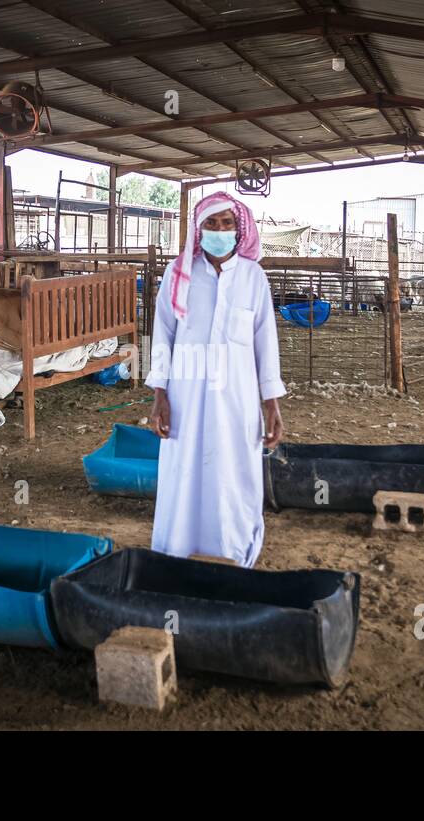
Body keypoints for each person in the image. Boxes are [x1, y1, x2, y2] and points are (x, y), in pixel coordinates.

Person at [145, 191, 285, 568]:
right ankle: (175, 548)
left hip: (237, 398)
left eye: (227, 224)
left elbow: (264, 342)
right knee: (183, 469)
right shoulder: (178, 275)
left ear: (239, 230)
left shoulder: (254, 279)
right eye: (211, 223)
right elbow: (162, 336)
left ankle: (234, 548)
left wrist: (271, 403)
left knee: (235, 469)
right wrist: (159, 395)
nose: (219, 230)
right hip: (184, 394)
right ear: (198, 229)